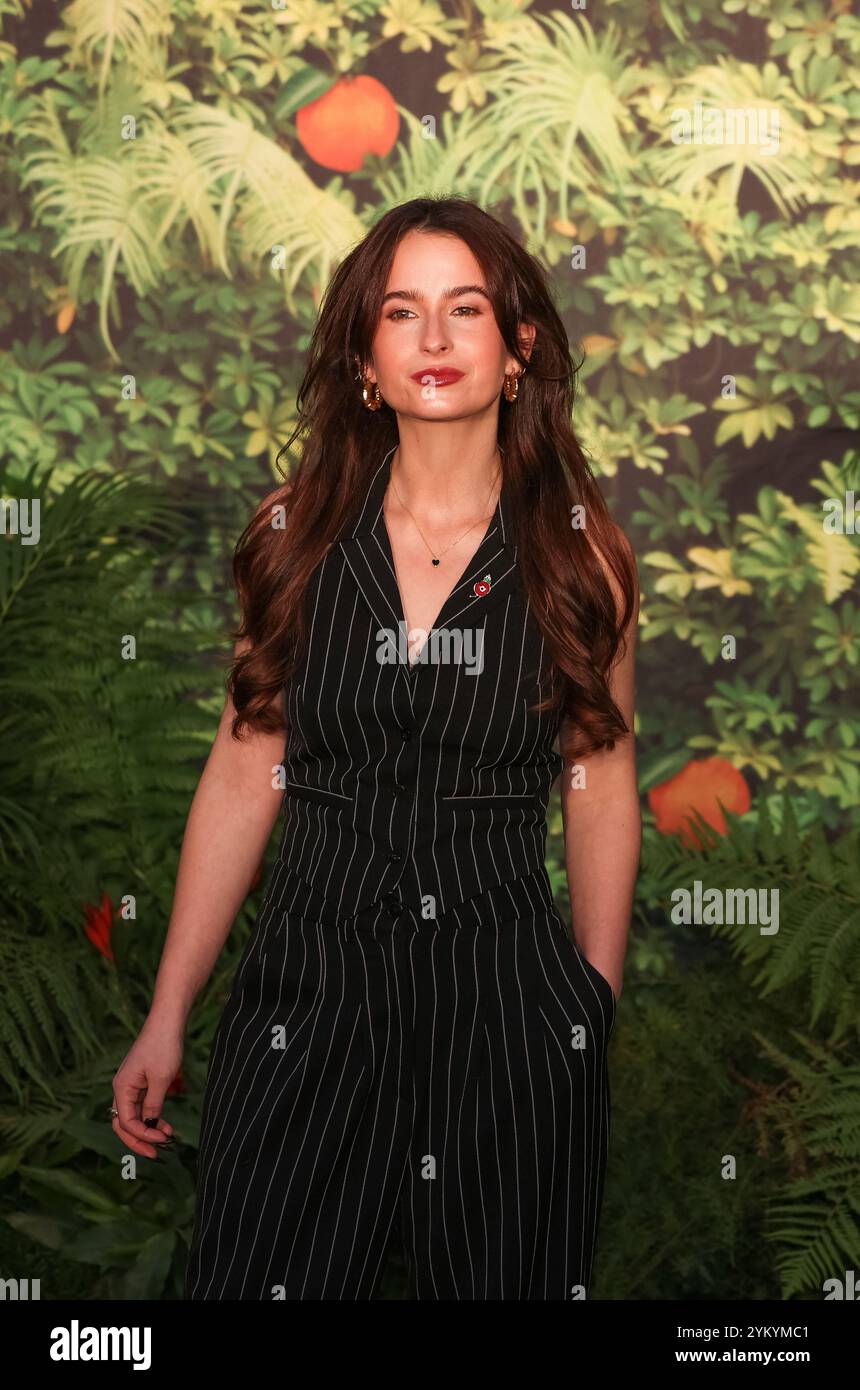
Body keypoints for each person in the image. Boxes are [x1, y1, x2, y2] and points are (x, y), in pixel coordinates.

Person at [111, 195, 641, 1300]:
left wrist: (590, 1001)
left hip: (507, 1009)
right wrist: (168, 1011)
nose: (434, 341)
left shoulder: (580, 558)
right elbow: (244, 769)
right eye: (401, 312)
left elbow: (598, 781)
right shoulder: (291, 536)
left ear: (518, 348)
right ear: (365, 351)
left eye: (465, 311)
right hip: (305, 996)